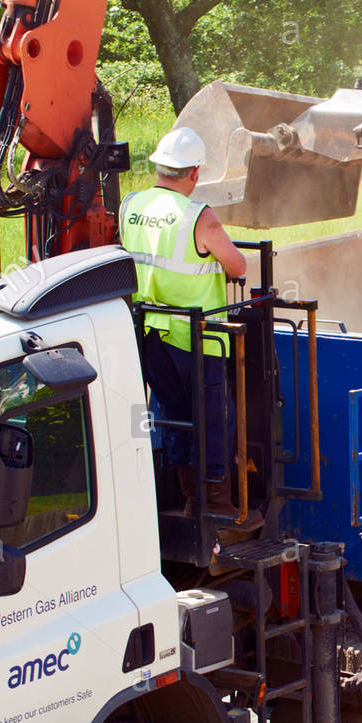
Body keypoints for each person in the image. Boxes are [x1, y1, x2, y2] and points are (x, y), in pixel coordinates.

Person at [120, 127, 261, 531]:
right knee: (215, 418)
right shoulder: (199, 216)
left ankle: (188, 501)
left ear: (160, 168)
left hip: (149, 333)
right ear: (194, 173)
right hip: (196, 337)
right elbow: (237, 266)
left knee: (173, 414)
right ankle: (216, 506)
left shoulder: (131, 204)